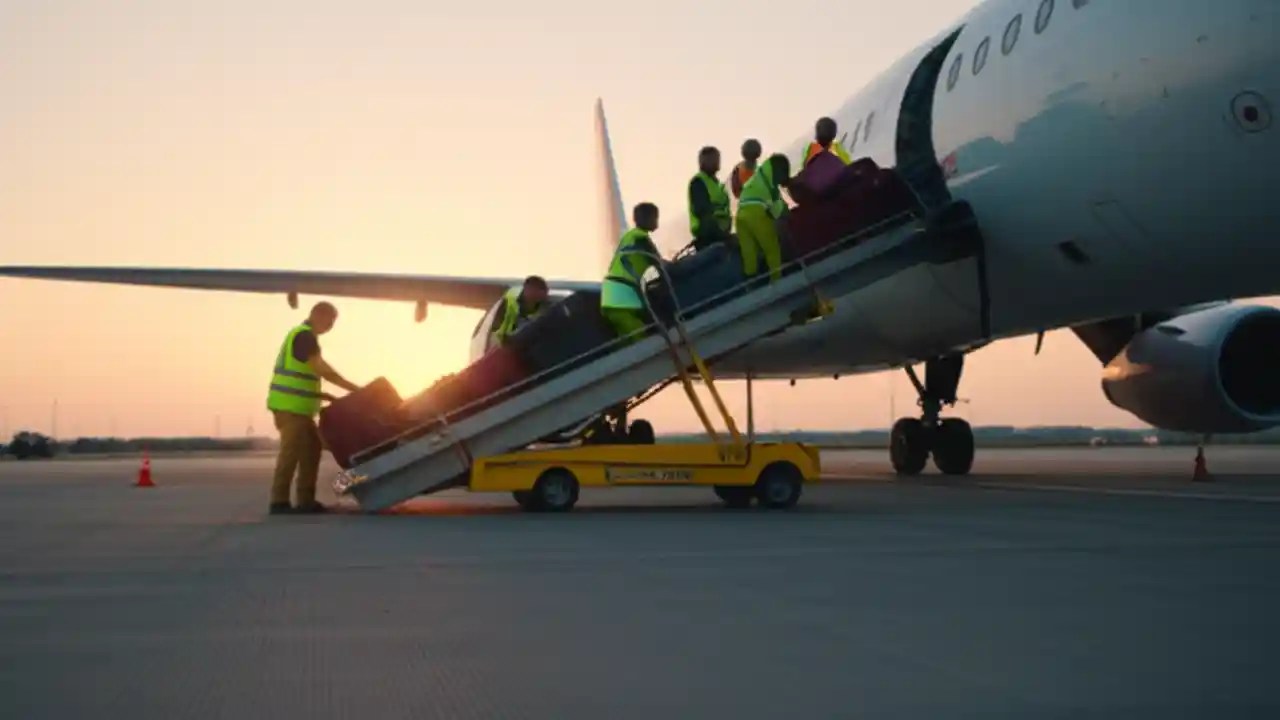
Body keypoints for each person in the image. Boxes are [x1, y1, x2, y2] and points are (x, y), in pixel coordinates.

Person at [265, 301, 359, 515]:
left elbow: (304, 376)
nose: (331, 326)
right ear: (318, 315)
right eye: (330, 320)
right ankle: (278, 502)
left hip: (300, 409)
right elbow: (323, 370)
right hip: (289, 408)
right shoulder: (304, 336)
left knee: (312, 450)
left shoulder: (305, 337)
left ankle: (305, 501)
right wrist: (354, 388)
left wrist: (322, 395)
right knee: (290, 453)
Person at [601, 203, 664, 342]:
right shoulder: (640, 238)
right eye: (655, 217)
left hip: (613, 297)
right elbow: (659, 264)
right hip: (622, 300)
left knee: (628, 341)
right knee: (640, 341)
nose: (656, 221)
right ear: (648, 218)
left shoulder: (629, 237)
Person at [735, 153, 792, 282]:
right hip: (755, 212)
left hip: (740, 215)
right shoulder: (771, 182)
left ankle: (750, 285)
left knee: (749, 254)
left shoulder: (760, 174)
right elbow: (780, 211)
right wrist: (787, 213)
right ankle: (777, 282)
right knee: (772, 249)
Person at [687, 146, 733, 251]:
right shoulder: (698, 182)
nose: (716, 162)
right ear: (701, 162)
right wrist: (721, 234)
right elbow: (702, 211)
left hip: (723, 234)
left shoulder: (719, 185)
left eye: (717, 158)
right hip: (708, 237)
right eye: (712, 159)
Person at [490, 275, 549, 347]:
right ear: (527, 289)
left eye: (541, 297)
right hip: (502, 346)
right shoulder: (508, 301)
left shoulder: (544, 309)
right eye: (535, 295)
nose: (540, 299)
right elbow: (494, 329)